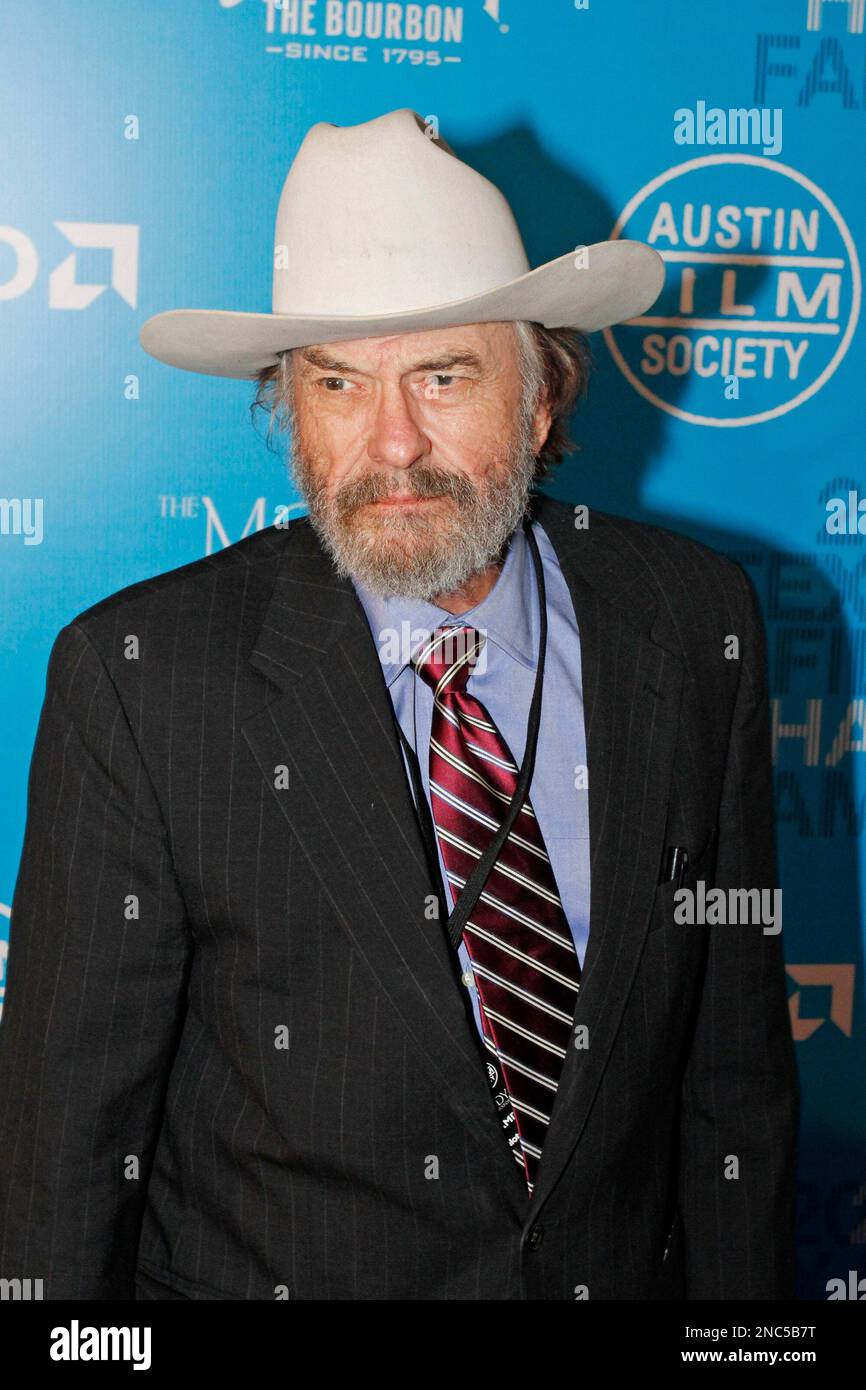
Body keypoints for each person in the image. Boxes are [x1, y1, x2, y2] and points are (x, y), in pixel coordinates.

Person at [0, 108, 798, 1300]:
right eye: (335, 382)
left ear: (538, 396)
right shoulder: (141, 677)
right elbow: (61, 1158)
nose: (391, 444)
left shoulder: (693, 628)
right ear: (289, 410)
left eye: (441, 374)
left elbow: (731, 1084)